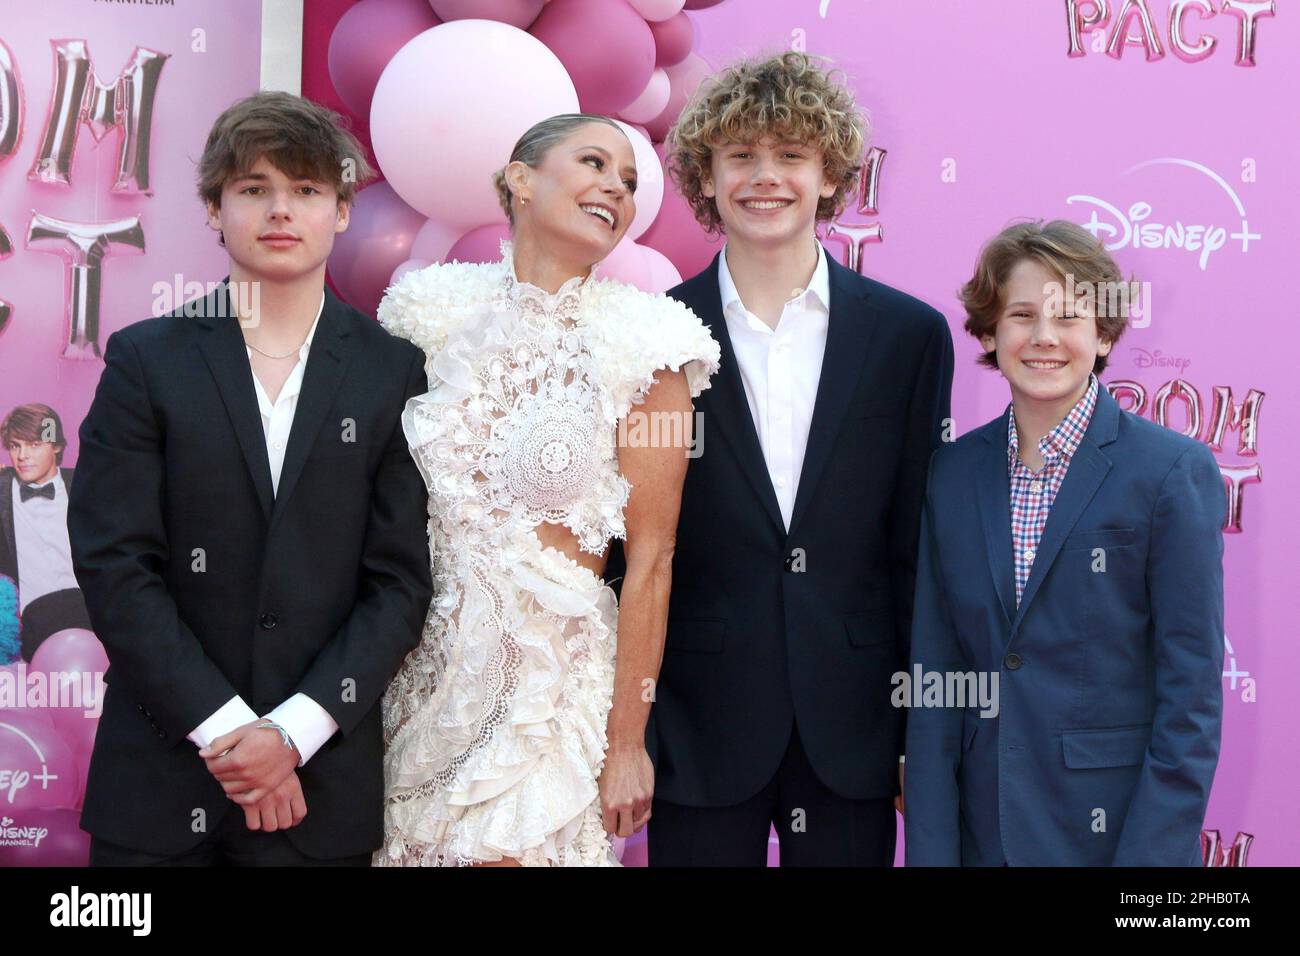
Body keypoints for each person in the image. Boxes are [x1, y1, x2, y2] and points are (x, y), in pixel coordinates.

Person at [67, 91, 434, 865]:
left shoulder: (393, 371)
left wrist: (293, 733)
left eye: (306, 190)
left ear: (340, 211)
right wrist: (233, 734)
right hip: (159, 787)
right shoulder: (146, 359)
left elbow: (398, 583)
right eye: (253, 188)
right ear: (213, 207)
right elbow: (114, 564)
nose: (280, 210)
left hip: (320, 793)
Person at [622, 51, 953, 866]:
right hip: (696, 721)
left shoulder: (909, 337)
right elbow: (623, 550)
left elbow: (919, 549)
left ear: (832, 174)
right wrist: (629, 725)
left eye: (791, 155)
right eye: (740, 156)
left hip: (857, 723)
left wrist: (918, 729)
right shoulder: (649, 335)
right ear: (705, 175)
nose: (764, 178)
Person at [374, 113, 720, 867]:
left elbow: (653, 560)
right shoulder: (427, 313)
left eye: (628, 182)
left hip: (545, 702)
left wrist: (627, 742)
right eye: (594, 162)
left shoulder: (650, 344)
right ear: (520, 180)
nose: (615, 188)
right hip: (414, 689)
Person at [904, 220, 1225, 866]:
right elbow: (935, 684)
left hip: (1115, 841)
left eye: (1069, 316)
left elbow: (1190, 699)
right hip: (982, 835)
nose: (1044, 337)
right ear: (990, 333)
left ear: (1103, 333)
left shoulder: (1169, 472)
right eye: (1021, 315)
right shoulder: (953, 473)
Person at [0, 403, 91, 659]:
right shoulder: (2, 491)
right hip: (35, 619)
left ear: (57, 446)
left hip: (89, 608)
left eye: (34, 445)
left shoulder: (85, 484)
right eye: (16, 446)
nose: (22, 455)